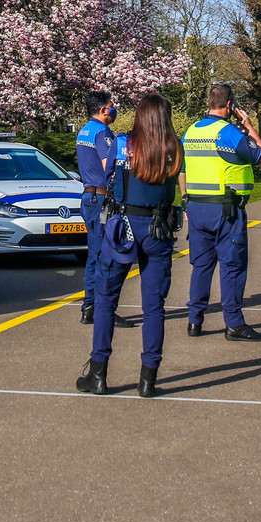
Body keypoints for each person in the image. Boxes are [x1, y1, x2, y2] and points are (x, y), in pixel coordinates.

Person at [76, 93, 184, 397]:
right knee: (154, 306)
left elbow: (109, 172)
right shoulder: (173, 149)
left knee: (106, 299)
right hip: (157, 227)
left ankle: (98, 372)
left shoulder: (123, 143)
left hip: (123, 226)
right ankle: (148, 379)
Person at [183, 85, 261, 341]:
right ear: (230, 105)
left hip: (197, 207)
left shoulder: (191, 132)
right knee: (232, 265)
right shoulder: (228, 133)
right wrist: (250, 126)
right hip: (226, 209)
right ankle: (233, 323)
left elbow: (183, 171)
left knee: (201, 265)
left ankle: (194, 320)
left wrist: (186, 200)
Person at [75, 91, 117, 325]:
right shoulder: (102, 132)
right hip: (101, 199)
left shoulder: (84, 130)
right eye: (111, 106)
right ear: (103, 110)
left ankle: (90, 306)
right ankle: (99, 308)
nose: (113, 109)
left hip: (88, 197)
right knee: (104, 254)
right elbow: (107, 167)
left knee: (94, 252)